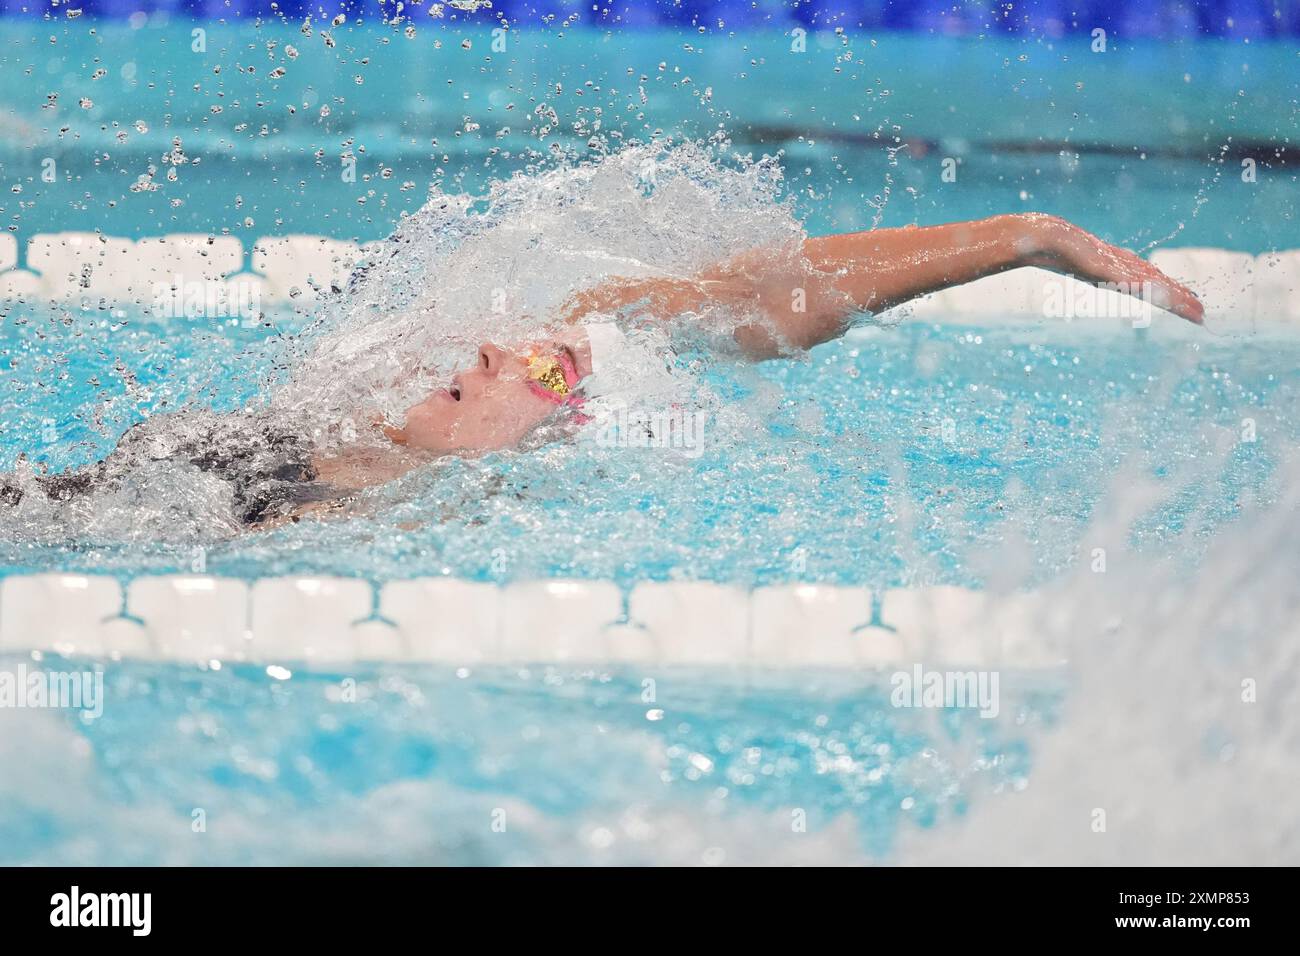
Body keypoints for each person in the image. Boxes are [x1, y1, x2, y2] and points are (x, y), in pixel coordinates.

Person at [3, 213, 1202, 527]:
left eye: (540, 364)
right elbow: (754, 286)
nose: (485, 347)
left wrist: (1026, 241)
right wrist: (1021, 238)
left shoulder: (371, 519)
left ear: (568, 428)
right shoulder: (326, 424)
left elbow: (761, 316)